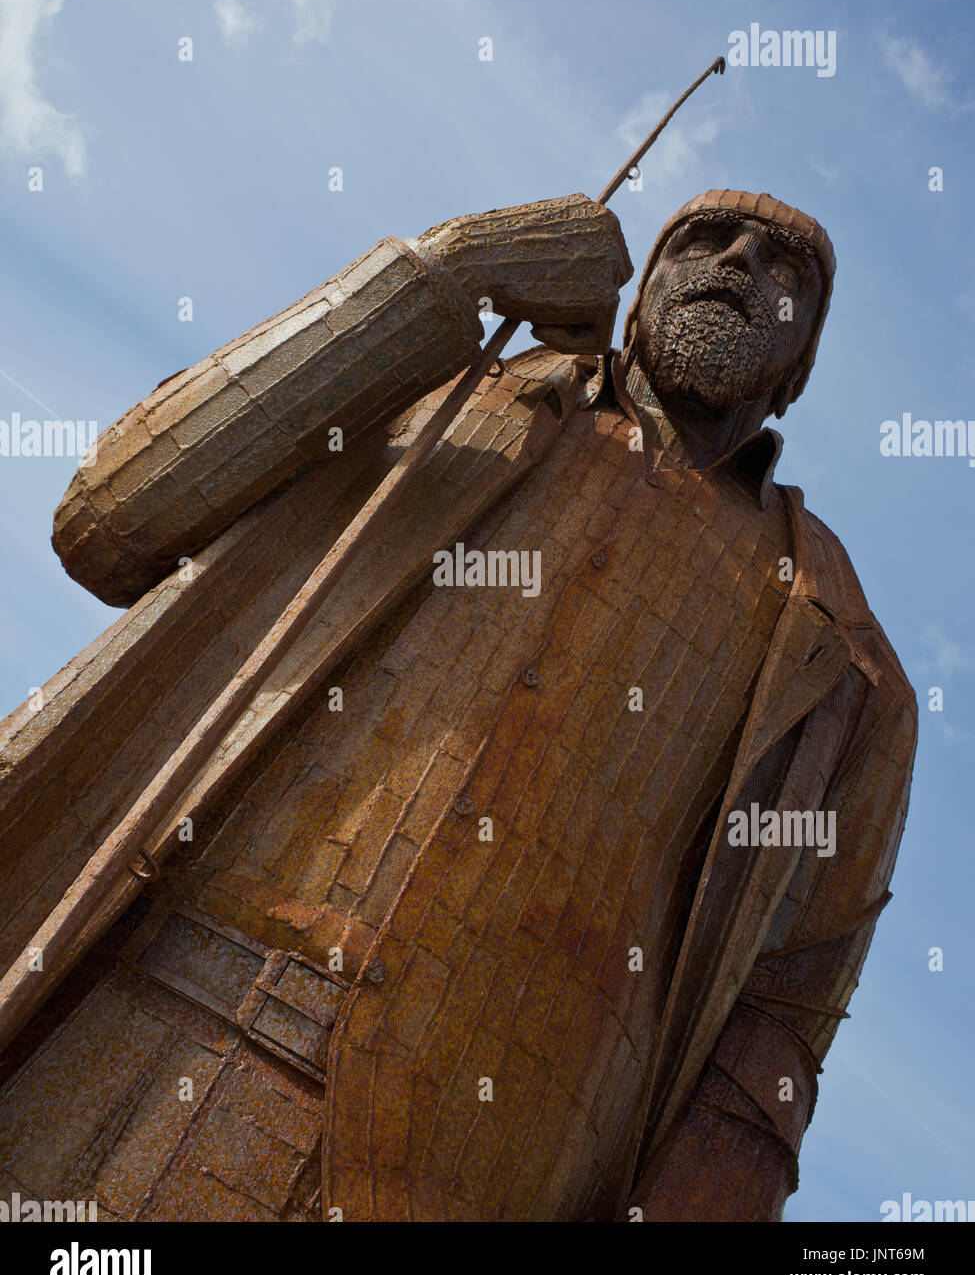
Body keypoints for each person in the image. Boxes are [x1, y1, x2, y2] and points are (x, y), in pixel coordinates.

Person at [0, 190, 916, 1222]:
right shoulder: (441, 398)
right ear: (638, 286)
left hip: (476, 1175)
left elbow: (777, 1027)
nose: (740, 263)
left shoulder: (842, 659)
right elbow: (108, 516)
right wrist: (445, 273)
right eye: (704, 240)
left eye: (785, 268)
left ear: (798, 372)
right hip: (123, 1022)